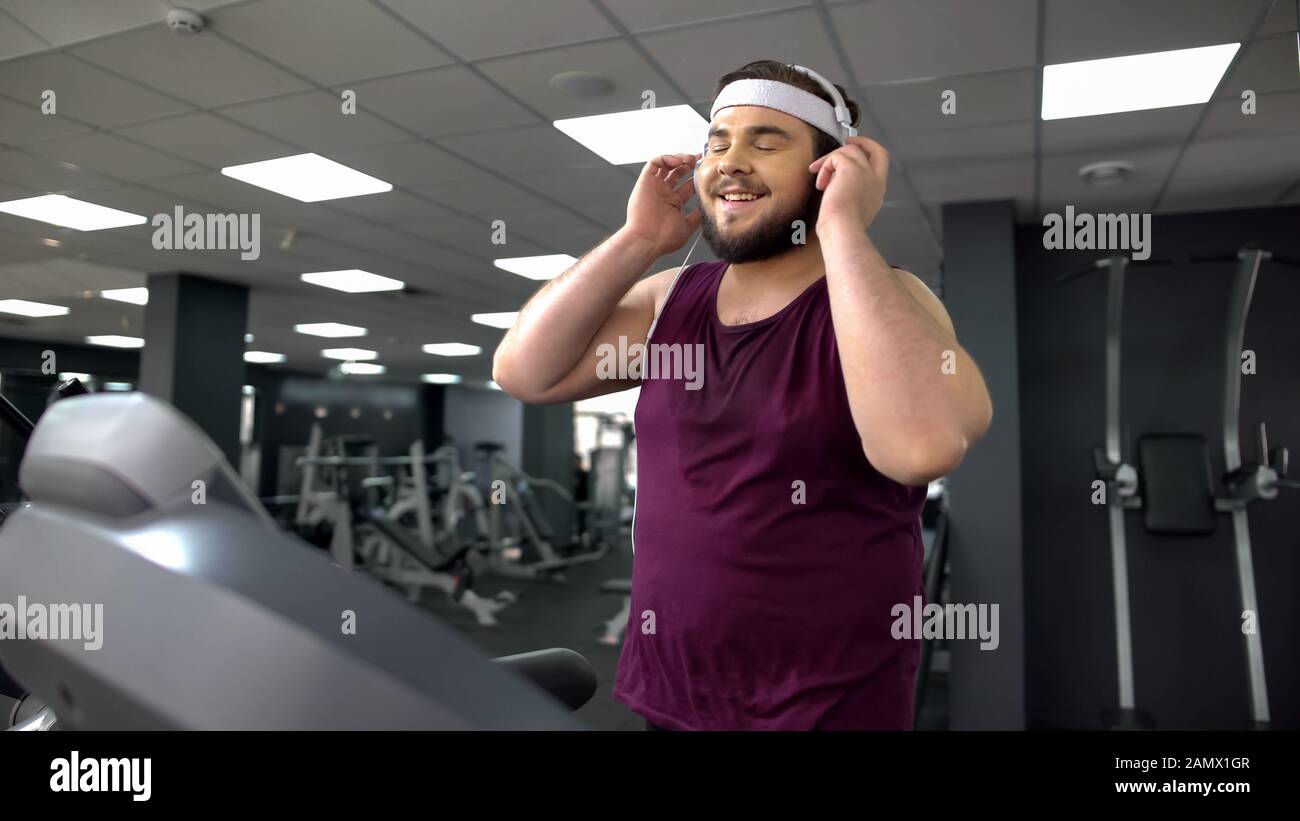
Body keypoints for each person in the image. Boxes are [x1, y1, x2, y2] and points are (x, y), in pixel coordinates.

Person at [493, 60, 993, 730]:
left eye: (766, 141)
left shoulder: (884, 300)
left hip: (826, 702)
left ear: (829, 169)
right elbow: (526, 372)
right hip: (675, 686)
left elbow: (921, 446)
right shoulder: (674, 299)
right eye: (717, 142)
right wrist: (640, 239)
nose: (730, 161)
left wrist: (842, 227)